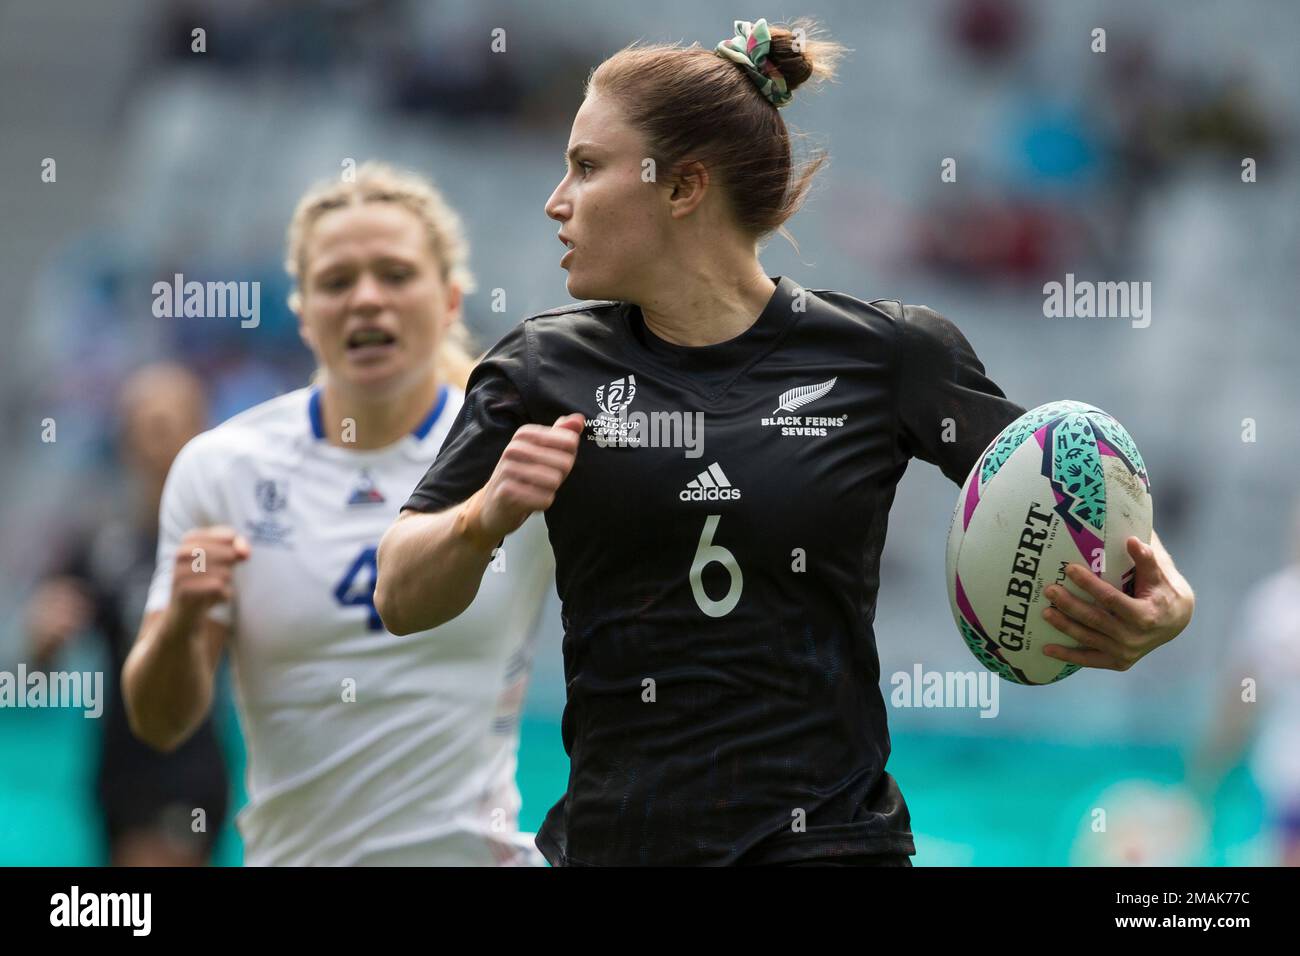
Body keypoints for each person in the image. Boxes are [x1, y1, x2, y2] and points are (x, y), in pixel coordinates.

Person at [375, 18, 1195, 866]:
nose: (557, 199)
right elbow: (399, 595)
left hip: (832, 846)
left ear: (683, 186)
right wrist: (482, 518)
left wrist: (1167, 604)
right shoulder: (540, 366)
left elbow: (1072, 485)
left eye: (586, 167)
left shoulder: (889, 355)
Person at [123, 162, 554, 865]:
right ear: (302, 313)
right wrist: (180, 624)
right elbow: (161, 723)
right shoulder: (224, 467)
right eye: (336, 281)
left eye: (394, 274)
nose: (366, 300)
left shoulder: (517, 457)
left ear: (449, 300)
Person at [26, 363, 228, 866]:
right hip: (115, 775)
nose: (152, 443)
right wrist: (41, 639)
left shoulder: (225, 542)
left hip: (186, 772)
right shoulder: (101, 542)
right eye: (140, 426)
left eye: (167, 425)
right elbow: (38, 667)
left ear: (199, 433)